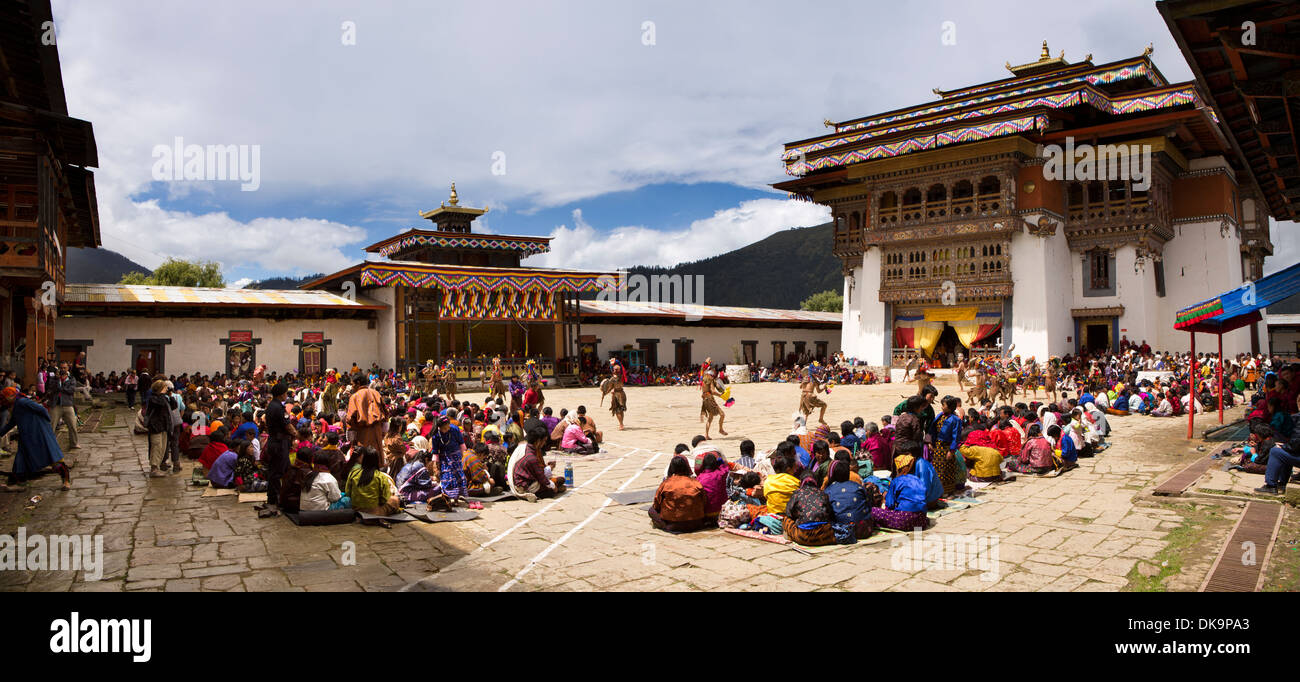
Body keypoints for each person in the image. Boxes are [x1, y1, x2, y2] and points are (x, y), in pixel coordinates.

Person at [0, 387, 71, 492]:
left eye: (6, 398)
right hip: (26, 436)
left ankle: (66, 480)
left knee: (52, 456)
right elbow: (12, 422)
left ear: (12, 396)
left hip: (38, 433)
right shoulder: (15, 406)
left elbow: (41, 409)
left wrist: (44, 424)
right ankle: (21, 483)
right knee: (21, 460)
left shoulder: (23, 401)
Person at [648, 455, 708, 533]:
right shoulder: (696, 483)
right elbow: (704, 502)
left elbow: (656, 505)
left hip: (673, 523)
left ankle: (665, 526)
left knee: (651, 511)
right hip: (696, 523)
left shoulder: (666, 483)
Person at [508, 424, 565, 501]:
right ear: (538, 441)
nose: (544, 443)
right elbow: (541, 477)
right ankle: (531, 494)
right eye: (544, 441)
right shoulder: (531, 457)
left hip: (522, 481)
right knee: (556, 485)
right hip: (526, 485)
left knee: (556, 482)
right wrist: (553, 487)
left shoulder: (526, 448)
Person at [345, 446, 400, 515]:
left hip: (356, 509)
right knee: (395, 500)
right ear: (377, 460)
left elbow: (348, 493)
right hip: (374, 512)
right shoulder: (381, 476)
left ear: (364, 459)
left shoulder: (353, 473)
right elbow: (384, 499)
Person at [782, 477, 836, 546]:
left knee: (786, 519)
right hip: (825, 537)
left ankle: (791, 536)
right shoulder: (822, 493)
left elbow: (788, 513)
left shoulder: (797, 493)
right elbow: (831, 514)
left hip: (803, 537)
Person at [346, 375, 386, 453]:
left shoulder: (354, 397)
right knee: (377, 457)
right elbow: (385, 413)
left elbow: (350, 419)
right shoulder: (376, 393)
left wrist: (352, 439)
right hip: (377, 431)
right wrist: (383, 432)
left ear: (358, 383)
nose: (351, 387)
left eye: (352, 384)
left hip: (362, 433)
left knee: (363, 458)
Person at [143, 380, 171, 477]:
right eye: (165, 387)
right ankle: (154, 468)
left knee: (162, 448)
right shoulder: (154, 399)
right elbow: (161, 403)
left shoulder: (164, 398)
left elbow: (173, 406)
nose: (166, 389)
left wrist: (170, 396)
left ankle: (157, 466)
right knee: (156, 447)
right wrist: (163, 394)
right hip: (156, 426)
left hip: (164, 426)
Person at [49, 369, 79, 451]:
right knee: (52, 425)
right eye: (60, 374)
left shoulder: (71, 380)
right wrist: (57, 380)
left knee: (72, 425)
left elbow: (71, 390)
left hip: (68, 404)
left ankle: (74, 443)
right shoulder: (54, 380)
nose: (62, 376)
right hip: (56, 404)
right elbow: (51, 388)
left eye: (64, 374)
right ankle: (50, 444)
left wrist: (61, 387)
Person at [699, 369, 727, 437]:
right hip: (710, 399)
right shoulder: (710, 379)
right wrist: (721, 396)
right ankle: (720, 429)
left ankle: (706, 435)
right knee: (722, 414)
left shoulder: (704, 379)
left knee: (710, 417)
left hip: (705, 399)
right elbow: (713, 391)